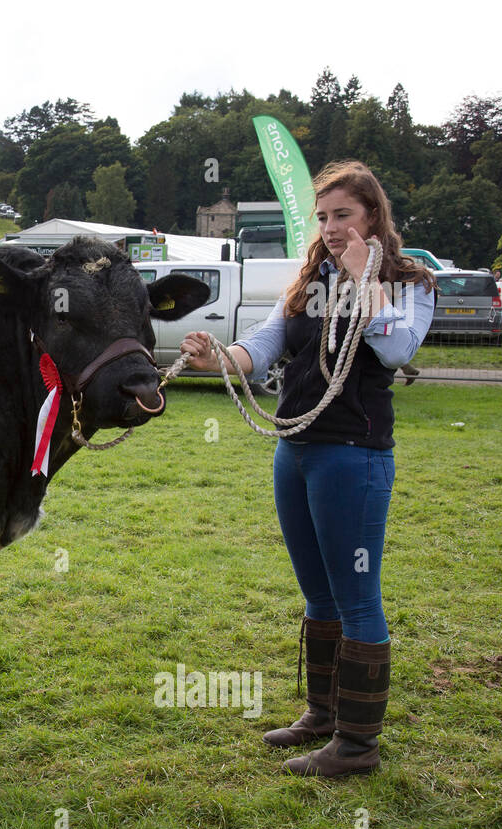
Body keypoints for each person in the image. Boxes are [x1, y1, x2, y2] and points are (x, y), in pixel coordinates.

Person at [180, 159, 435, 778]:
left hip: (353, 454)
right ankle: (322, 715)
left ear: (372, 215)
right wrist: (217, 357)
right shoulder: (308, 281)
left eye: (342, 215)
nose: (330, 227)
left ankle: (357, 745)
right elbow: (266, 344)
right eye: (322, 217)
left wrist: (361, 278)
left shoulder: (409, 281)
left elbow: (399, 349)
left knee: (356, 598)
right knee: (318, 594)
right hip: (294, 447)